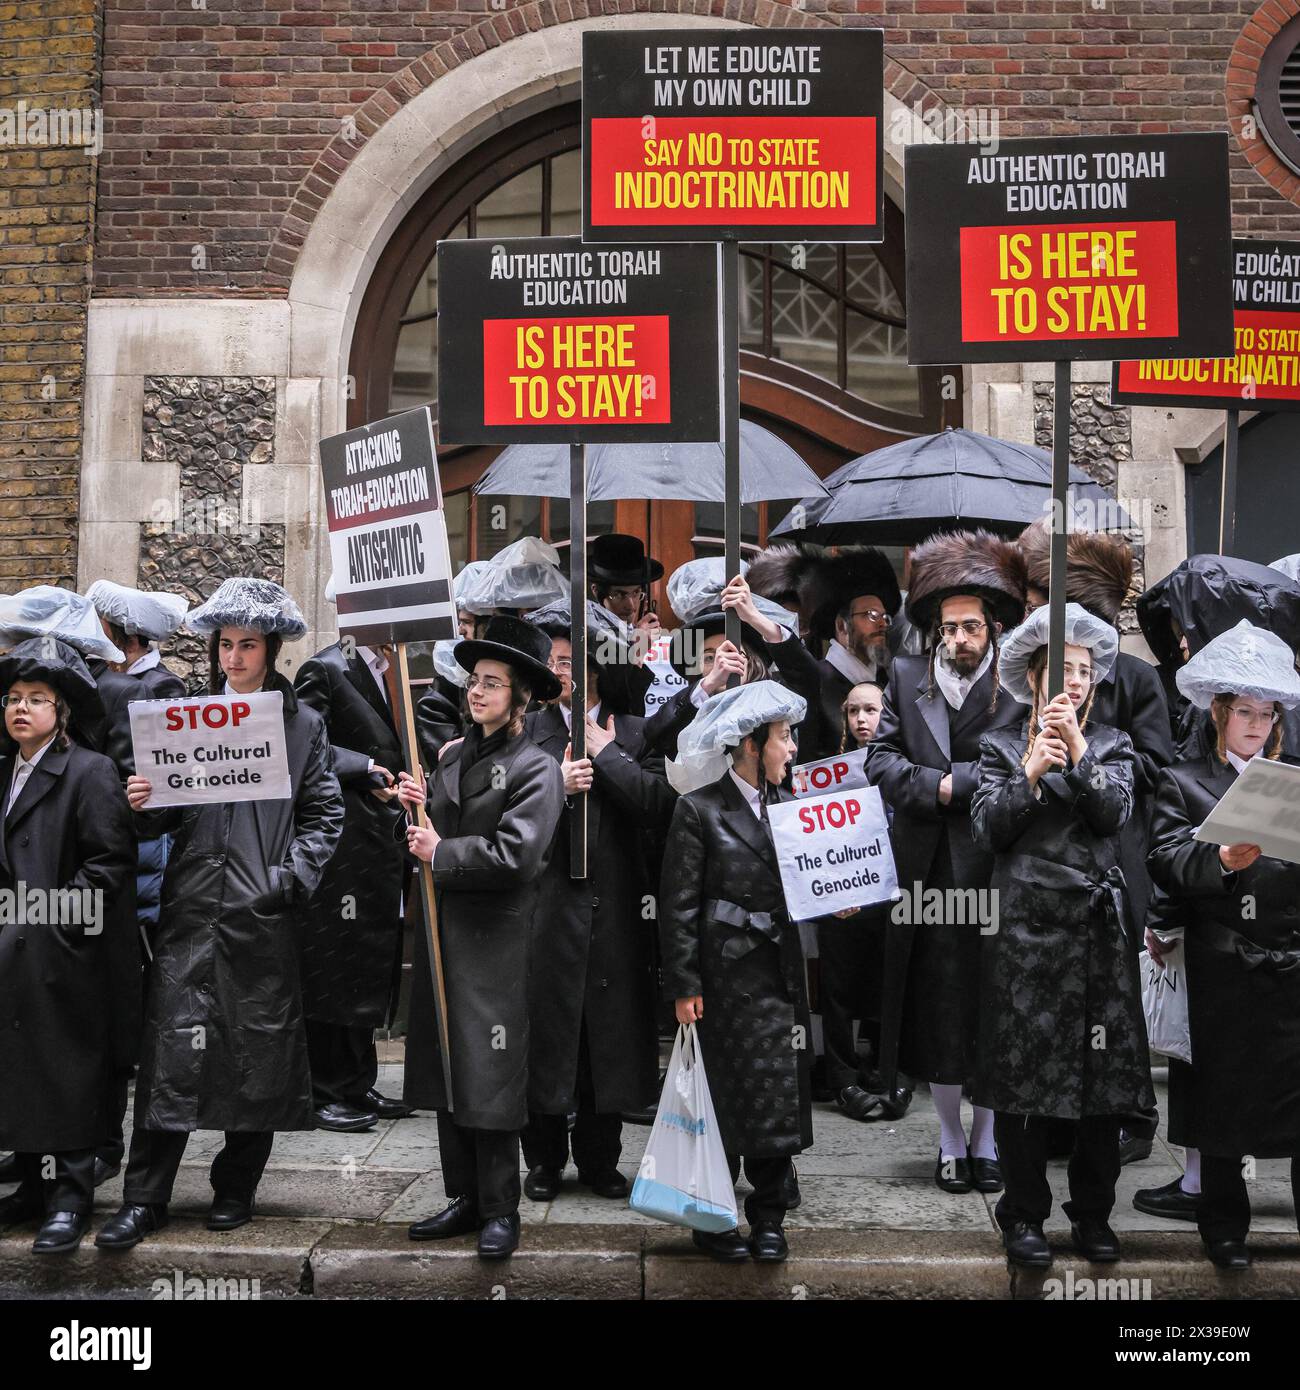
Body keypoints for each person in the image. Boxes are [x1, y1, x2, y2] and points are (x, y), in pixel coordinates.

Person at [95, 578, 344, 1250]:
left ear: (271, 650)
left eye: (248, 645)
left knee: (254, 1048)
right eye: (226, 645)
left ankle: (236, 1186)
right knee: (171, 1049)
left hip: (259, 912)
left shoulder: (302, 726)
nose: (234, 658)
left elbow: (325, 811)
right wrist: (146, 798)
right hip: (190, 907)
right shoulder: (190, 715)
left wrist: (288, 879)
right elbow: (169, 812)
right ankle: (144, 1196)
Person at [971, 603, 1152, 1268]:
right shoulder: (998, 746)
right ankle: (1022, 1215)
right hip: (1026, 936)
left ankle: (1094, 1214)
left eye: (1083, 672)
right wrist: (1029, 773)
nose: (1073, 681)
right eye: (1061, 671)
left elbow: (1112, 812)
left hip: (1098, 937)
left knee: (1101, 1086)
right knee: (1024, 1083)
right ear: (1034, 679)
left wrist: (1075, 751)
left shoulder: (1112, 745)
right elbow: (988, 829)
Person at [396, 616, 565, 1259]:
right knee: (447, 1070)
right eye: (474, 680)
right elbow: (423, 844)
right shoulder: (450, 756)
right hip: (444, 935)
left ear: (521, 697)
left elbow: (516, 856)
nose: (477, 691)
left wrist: (442, 850)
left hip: (499, 944)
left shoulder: (537, 768)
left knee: (491, 1075)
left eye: (493, 683)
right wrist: (410, 811)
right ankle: (463, 1197)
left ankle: (501, 1208)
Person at [866, 529, 1028, 1193]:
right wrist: (937, 787)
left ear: (991, 628)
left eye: (971, 626)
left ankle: (988, 1141)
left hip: (995, 868)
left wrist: (949, 782)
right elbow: (879, 760)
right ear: (933, 630)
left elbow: (1021, 770)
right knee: (938, 1008)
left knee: (991, 1006)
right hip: (925, 871)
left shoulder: (1018, 686)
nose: (959, 638)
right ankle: (949, 1140)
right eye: (948, 627)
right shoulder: (905, 678)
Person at [1018, 522, 1173, 1167]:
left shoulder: (1133, 679)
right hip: (1051, 862)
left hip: (1117, 856)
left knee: (1118, 995)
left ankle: (1130, 1116)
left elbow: (1159, 769)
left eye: (1040, 600)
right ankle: (1059, 1117)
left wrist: (1094, 757)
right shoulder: (1035, 677)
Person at [1146, 621, 1300, 1270]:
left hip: (1290, 963)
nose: (1256, 725)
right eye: (1245, 712)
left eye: (1267, 714)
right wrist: (1226, 862)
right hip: (1222, 964)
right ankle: (1225, 1232)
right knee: (1221, 1108)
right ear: (1218, 713)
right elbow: (1167, 857)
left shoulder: (1292, 779)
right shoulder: (1183, 780)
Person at [520, 601, 675, 1201]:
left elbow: (662, 807)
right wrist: (555, 785)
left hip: (617, 909)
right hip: (549, 905)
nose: (561, 671)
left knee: (606, 1036)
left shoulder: (633, 729)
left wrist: (608, 759)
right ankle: (543, 1158)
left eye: (571, 661)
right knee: (550, 1032)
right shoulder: (529, 731)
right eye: (553, 661)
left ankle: (600, 1158)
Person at [660, 681, 813, 1264]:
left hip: (779, 977)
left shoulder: (796, 807)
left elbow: (815, 880)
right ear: (751, 744)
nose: (792, 748)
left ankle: (769, 1218)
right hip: (724, 983)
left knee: (778, 1098)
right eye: (784, 738)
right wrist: (684, 985)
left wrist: (838, 898)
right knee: (720, 1101)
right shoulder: (698, 809)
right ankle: (713, 1219)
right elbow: (677, 906)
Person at [0, 639, 136, 1255]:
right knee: (19, 1071)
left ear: (62, 712)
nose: (21, 709)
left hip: (64, 953)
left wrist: (41, 923)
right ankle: (31, 1186)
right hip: (11, 951)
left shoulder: (90, 771)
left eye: (36, 700)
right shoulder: (4, 770)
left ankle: (70, 1197)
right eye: (14, 699)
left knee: (68, 1073)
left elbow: (107, 867)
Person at [294, 618, 411, 1134]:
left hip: (381, 840)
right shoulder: (324, 666)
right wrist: (366, 765)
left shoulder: (396, 669)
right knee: (335, 960)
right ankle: (322, 1089)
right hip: (342, 840)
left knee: (368, 958)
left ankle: (358, 1080)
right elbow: (304, 742)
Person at [821, 680, 892, 1120]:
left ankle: (885, 1072)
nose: (862, 720)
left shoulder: (904, 761)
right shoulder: (831, 771)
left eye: (871, 710)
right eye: (853, 712)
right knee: (837, 991)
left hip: (893, 894)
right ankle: (842, 1077)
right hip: (843, 896)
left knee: (888, 985)